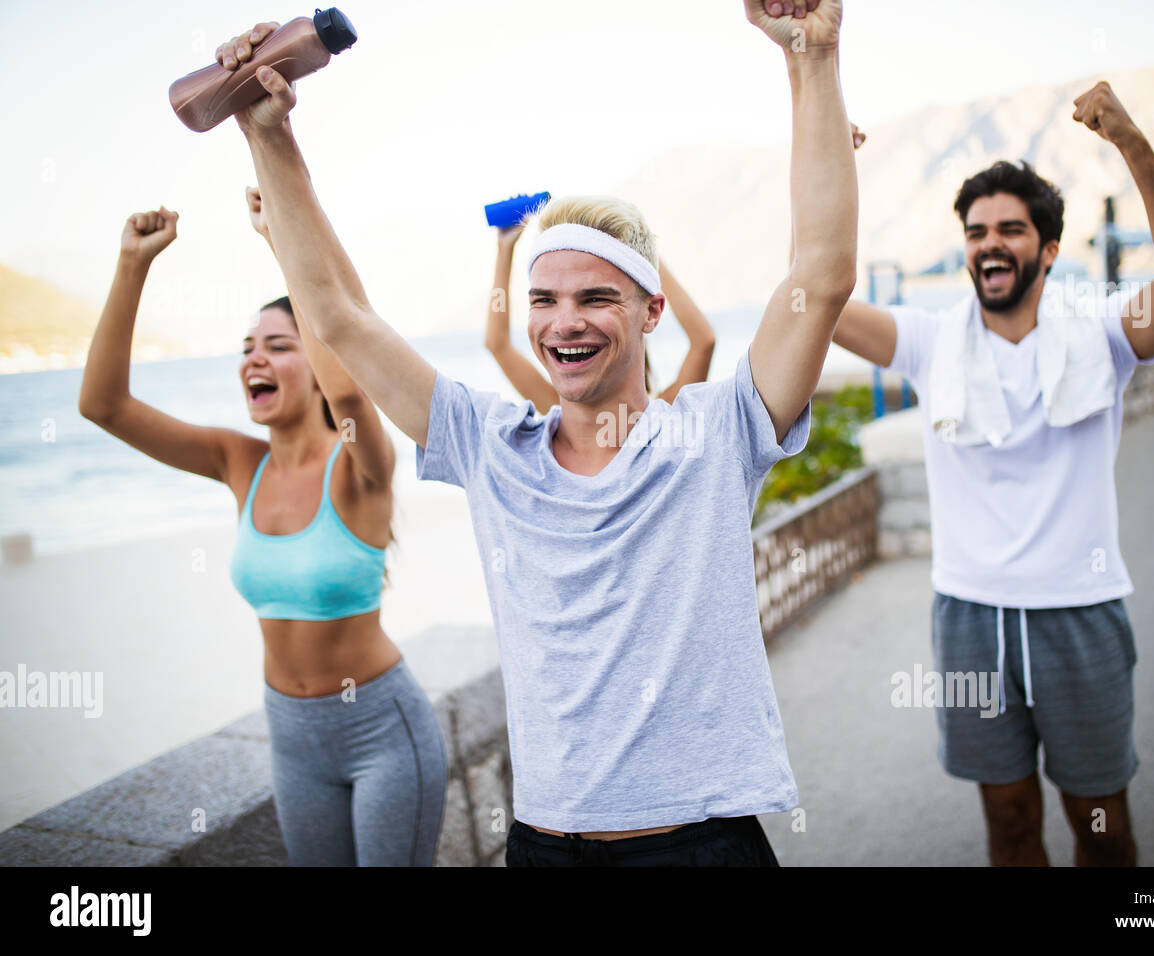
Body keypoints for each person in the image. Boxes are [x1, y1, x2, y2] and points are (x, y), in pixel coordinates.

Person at [212, 0, 856, 866]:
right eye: (545, 300)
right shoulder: (490, 443)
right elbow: (338, 314)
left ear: (650, 310)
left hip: (698, 846)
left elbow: (821, 267)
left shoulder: (716, 433)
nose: (565, 323)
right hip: (543, 846)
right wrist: (268, 133)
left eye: (596, 298)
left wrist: (813, 55)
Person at [828, 82, 1154, 865]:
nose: (989, 243)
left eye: (1010, 228)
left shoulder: (1101, 334)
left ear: (1048, 246)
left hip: (1079, 612)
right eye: (975, 232)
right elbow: (819, 301)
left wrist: (1133, 144)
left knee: (1100, 823)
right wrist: (833, 166)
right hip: (970, 619)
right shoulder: (930, 342)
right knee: (1006, 823)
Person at [77, 193, 448, 866]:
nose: (255, 358)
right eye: (246, 348)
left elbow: (351, 396)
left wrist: (281, 242)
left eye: (279, 346)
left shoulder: (359, 466)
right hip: (292, 737)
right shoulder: (236, 462)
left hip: (382, 733)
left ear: (315, 367)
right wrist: (132, 265)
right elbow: (103, 406)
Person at [486, 221, 715, 410]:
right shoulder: (562, 411)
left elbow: (704, 341)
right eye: (546, 301)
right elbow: (497, 344)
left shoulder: (664, 415)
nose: (568, 327)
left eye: (595, 300)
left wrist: (644, 258)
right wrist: (504, 250)